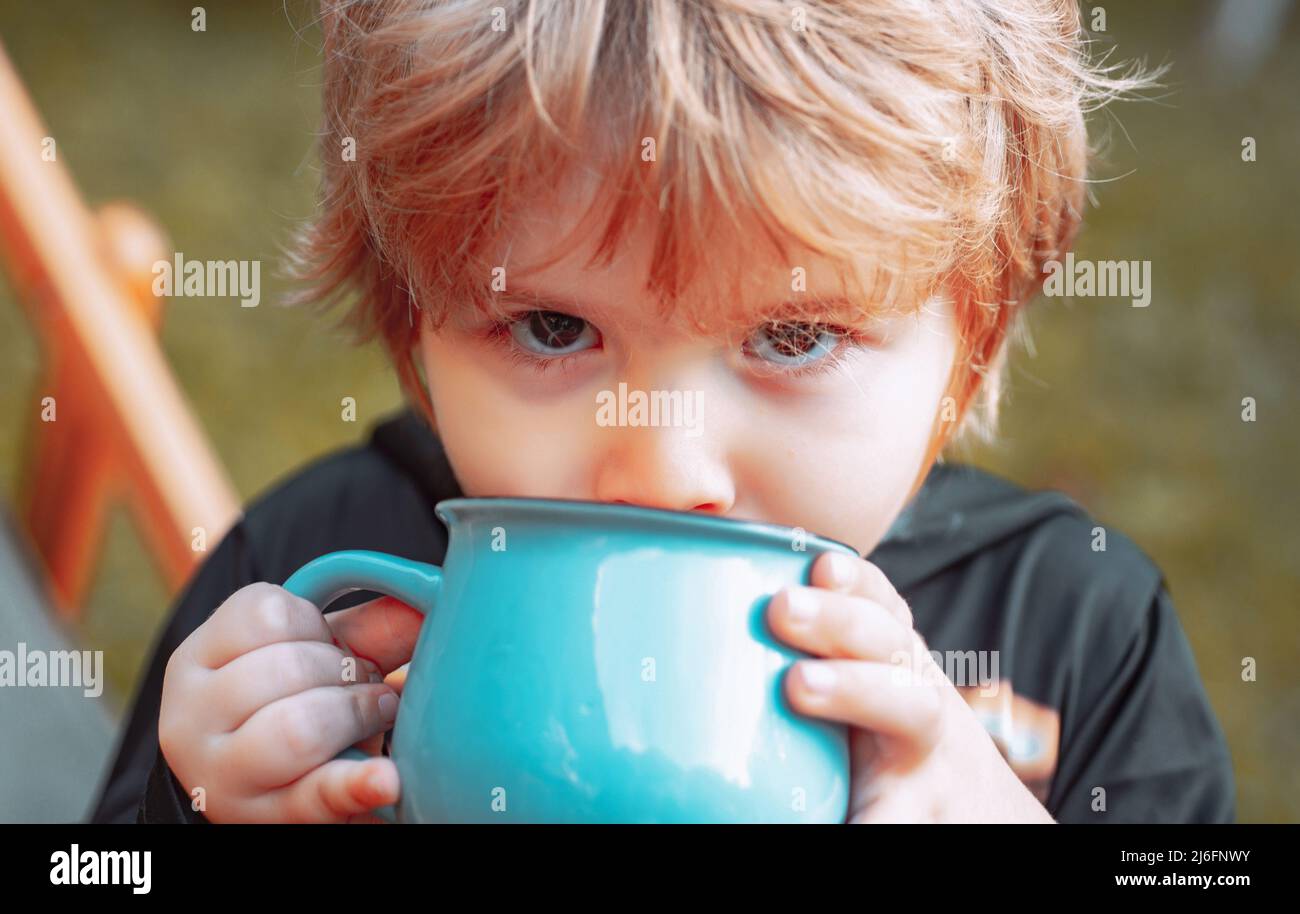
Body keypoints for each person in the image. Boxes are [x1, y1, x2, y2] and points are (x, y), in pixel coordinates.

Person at [92, 0, 1233, 824]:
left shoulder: (1081, 628)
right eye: (550, 328)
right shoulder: (304, 585)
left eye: (791, 337)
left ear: (966, 352)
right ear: (415, 335)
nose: (660, 466)